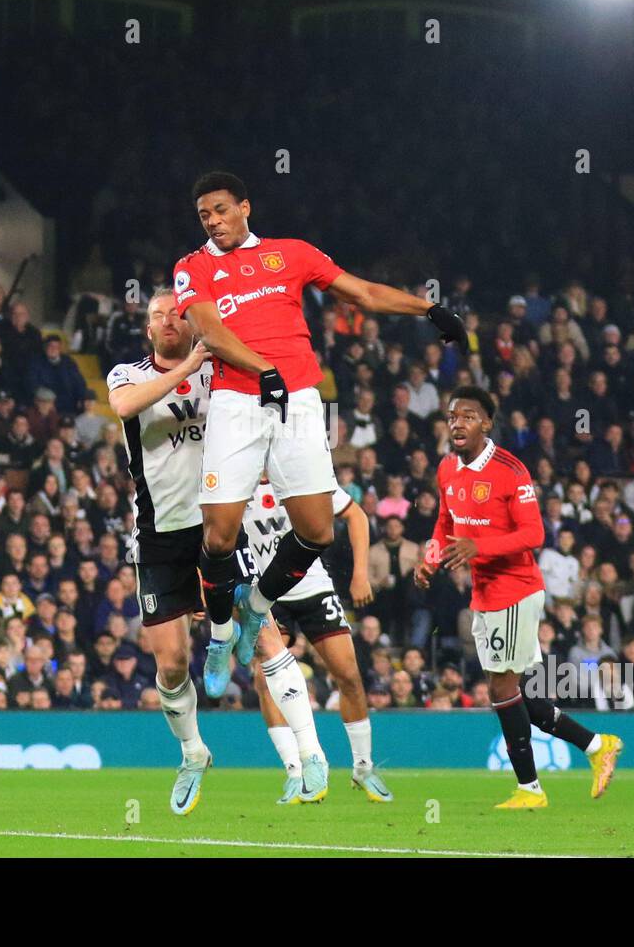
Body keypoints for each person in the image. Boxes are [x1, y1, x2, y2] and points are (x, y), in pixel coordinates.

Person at [171, 171, 467, 695]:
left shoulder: (291, 254)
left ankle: (256, 607)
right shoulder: (192, 268)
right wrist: (261, 368)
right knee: (218, 534)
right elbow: (208, 330)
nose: (212, 222)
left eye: (220, 210)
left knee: (316, 531)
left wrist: (429, 309)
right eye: (204, 215)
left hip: (299, 403)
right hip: (238, 401)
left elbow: (364, 293)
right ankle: (221, 634)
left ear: (245, 206)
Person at [107, 288, 330, 812]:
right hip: (159, 536)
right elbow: (124, 408)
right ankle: (193, 753)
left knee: (267, 642)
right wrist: (190, 365)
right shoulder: (128, 375)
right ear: (147, 329)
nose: (166, 320)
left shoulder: (224, 375)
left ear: (192, 321)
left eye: (175, 313)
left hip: (222, 527)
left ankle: (312, 754)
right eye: (156, 315)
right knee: (169, 663)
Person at [413, 386, 622, 810]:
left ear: (487, 423)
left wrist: (479, 548)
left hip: (516, 589)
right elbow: (444, 522)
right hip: (484, 592)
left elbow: (534, 534)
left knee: (500, 686)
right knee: (515, 691)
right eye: (453, 416)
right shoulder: (447, 469)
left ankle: (530, 789)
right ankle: (596, 744)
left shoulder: (510, 469)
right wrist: (431, 559)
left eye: (469, 416)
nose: (458, 423)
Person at [243, 472, 389, 803]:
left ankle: (363, 767)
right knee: (264, 679)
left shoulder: (298, 469)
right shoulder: (237, 478)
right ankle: (296, 771)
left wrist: (361, 573)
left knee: (348, 675)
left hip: (312, 587)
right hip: (266, 594)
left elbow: (356, 515)